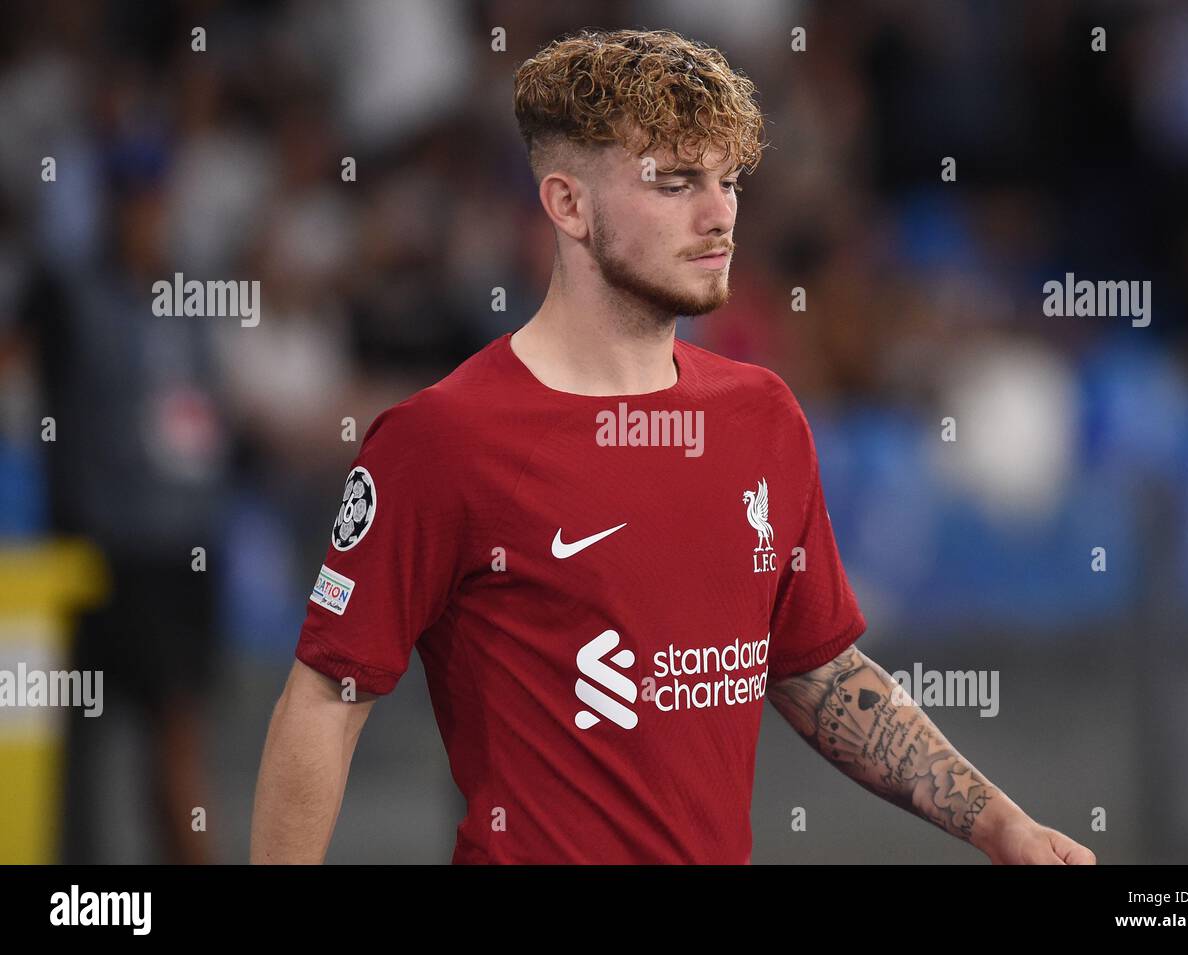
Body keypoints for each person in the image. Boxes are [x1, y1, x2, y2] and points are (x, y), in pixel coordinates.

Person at [251, 28, 1095, 865]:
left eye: (728, 181)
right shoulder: (443, 439)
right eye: (676, 182)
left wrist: (997, 824)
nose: (719, 212)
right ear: (567, 205)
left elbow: (818, 670)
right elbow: (326, 697)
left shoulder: (762, 416)